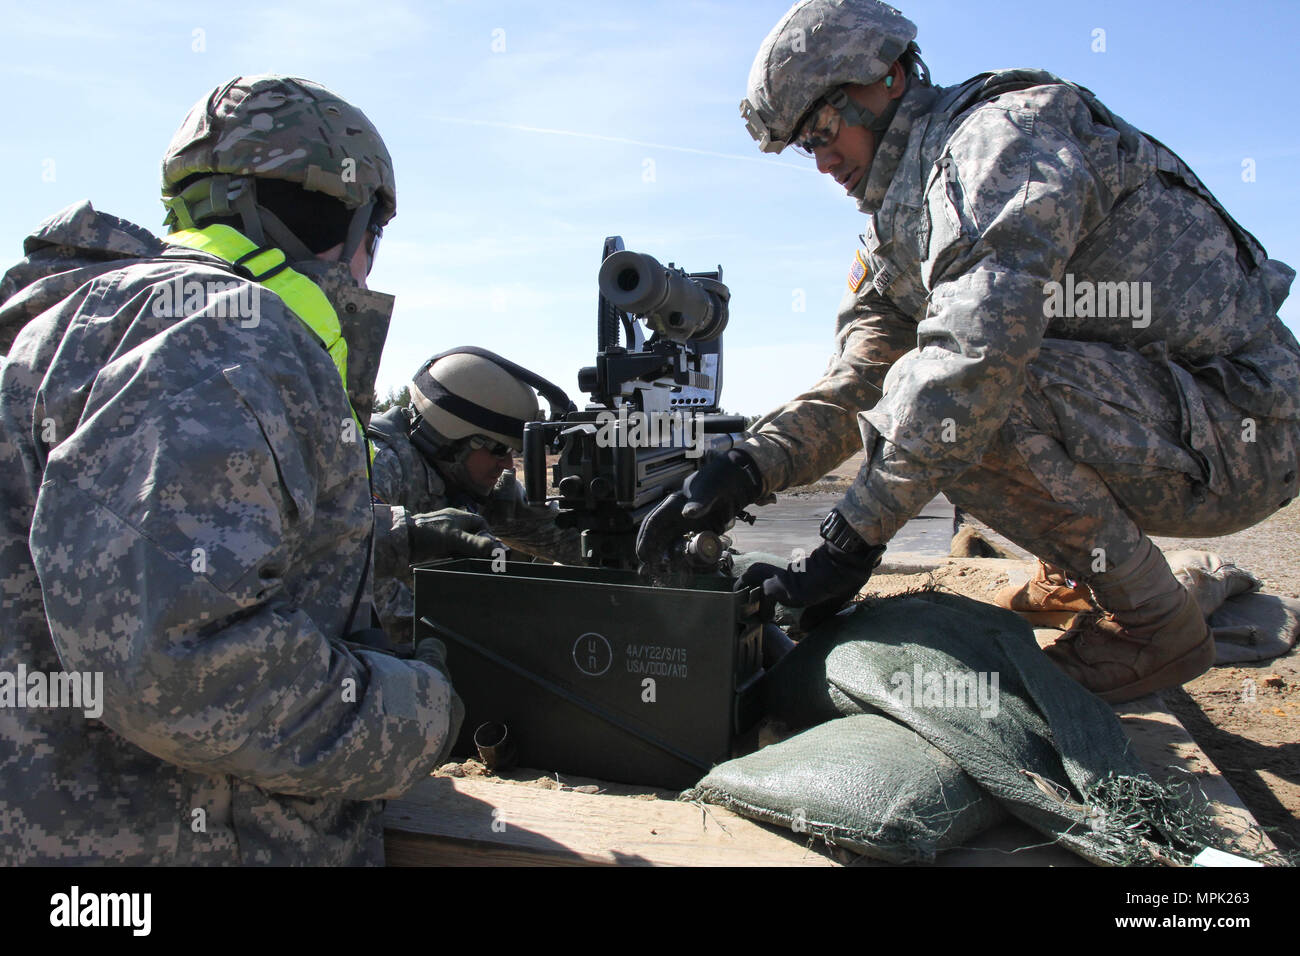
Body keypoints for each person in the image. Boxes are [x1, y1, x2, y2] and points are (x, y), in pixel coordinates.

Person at [638, 0, 1300, 703]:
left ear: (890, 77)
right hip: (1166, 422)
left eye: (826, 124)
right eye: (806, 143)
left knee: (961, 401)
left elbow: (973, 361)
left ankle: (1153, 626)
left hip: (1246, 427)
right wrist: (745, 467)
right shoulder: (900, 225)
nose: (825, 157)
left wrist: (849, 540)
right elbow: (859, 383)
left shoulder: (1000, 143)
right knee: (924, 400)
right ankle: (1078, 569)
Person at [0, 75, 471, 864]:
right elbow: (181, 664)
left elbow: (120, 539)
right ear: (353, 224)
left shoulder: (92, 318)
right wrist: (419, 713)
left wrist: (387, 539)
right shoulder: (227, 332)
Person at [370, 348, 584, 644]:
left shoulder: (470, 478)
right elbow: (388, 617)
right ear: (450, 438)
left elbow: (557, 533)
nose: (508, 464)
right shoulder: (378, 468)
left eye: (512, 451)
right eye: (498, 449)